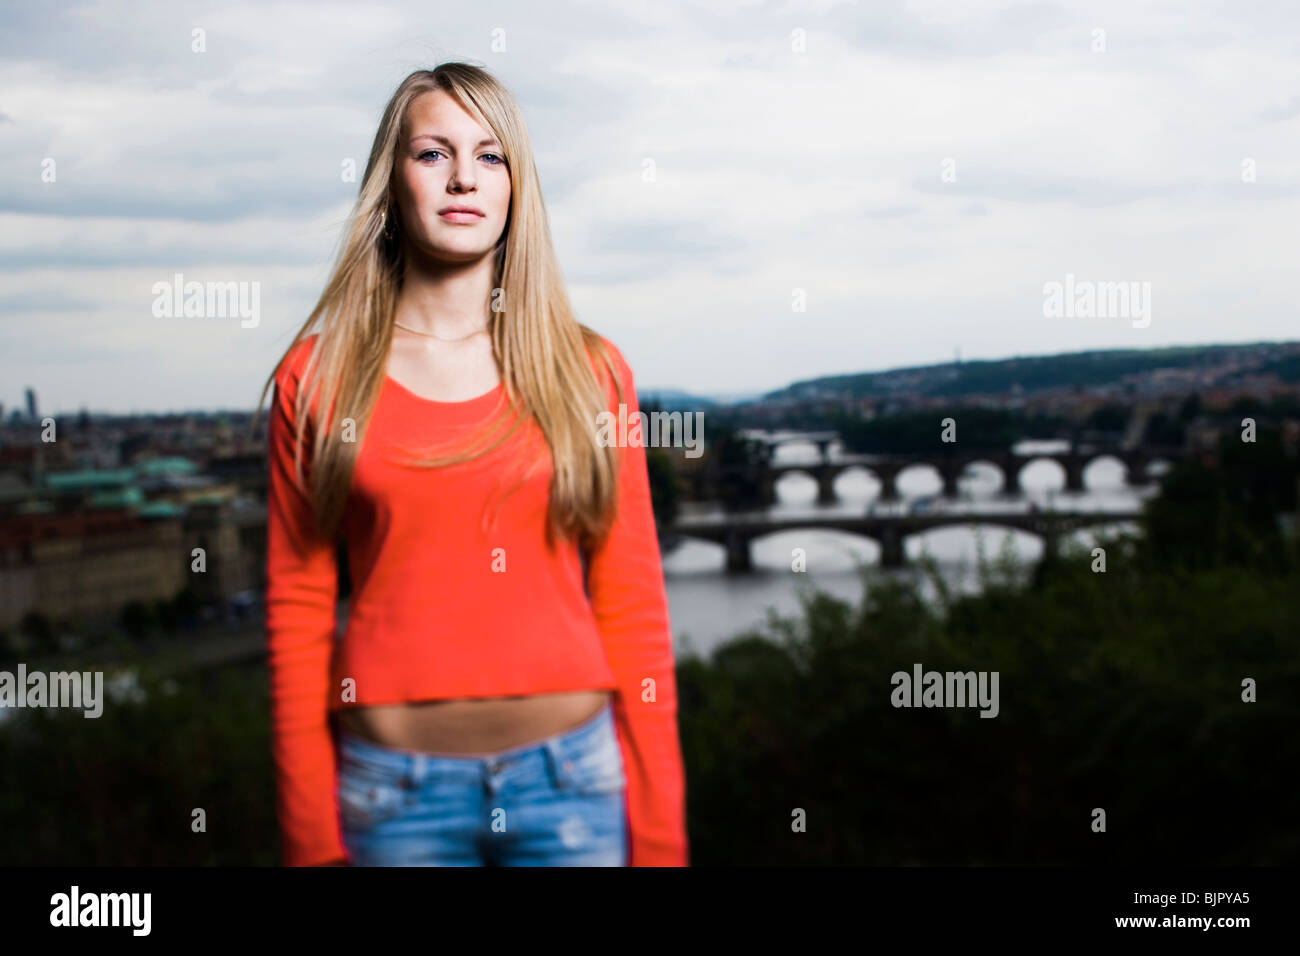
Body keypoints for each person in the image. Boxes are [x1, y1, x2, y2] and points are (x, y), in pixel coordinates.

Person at [253, 63, 688, 867]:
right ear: (392, 184)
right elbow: (296, 615)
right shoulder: (316, 379)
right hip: (393, 800)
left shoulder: (589, 371)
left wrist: (660, 842)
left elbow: (634, 604)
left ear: (517, 188)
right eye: (432, 154)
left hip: (576, 792)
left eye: (491, 156)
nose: (463, 178)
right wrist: (312, 845)